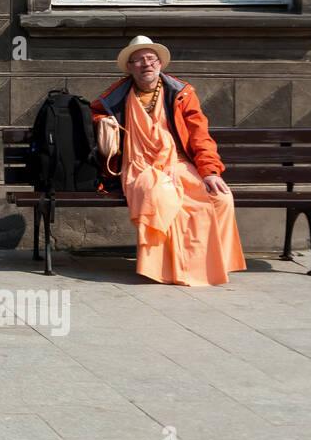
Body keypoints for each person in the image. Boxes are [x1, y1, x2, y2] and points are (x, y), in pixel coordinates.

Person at [92, 35, 246, 287]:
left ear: (160, 64)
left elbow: (200, 136)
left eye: (151, 59)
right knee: (159, 195)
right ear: (130, 67)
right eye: (139, 60)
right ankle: (163, 269)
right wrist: (103, 123)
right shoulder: (114, 98)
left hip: (180, 161)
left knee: (219, 198)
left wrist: (210, 172)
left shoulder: (181, 94)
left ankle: (210, 265)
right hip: (139, 165)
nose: (146, 64)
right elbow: (94, 115)